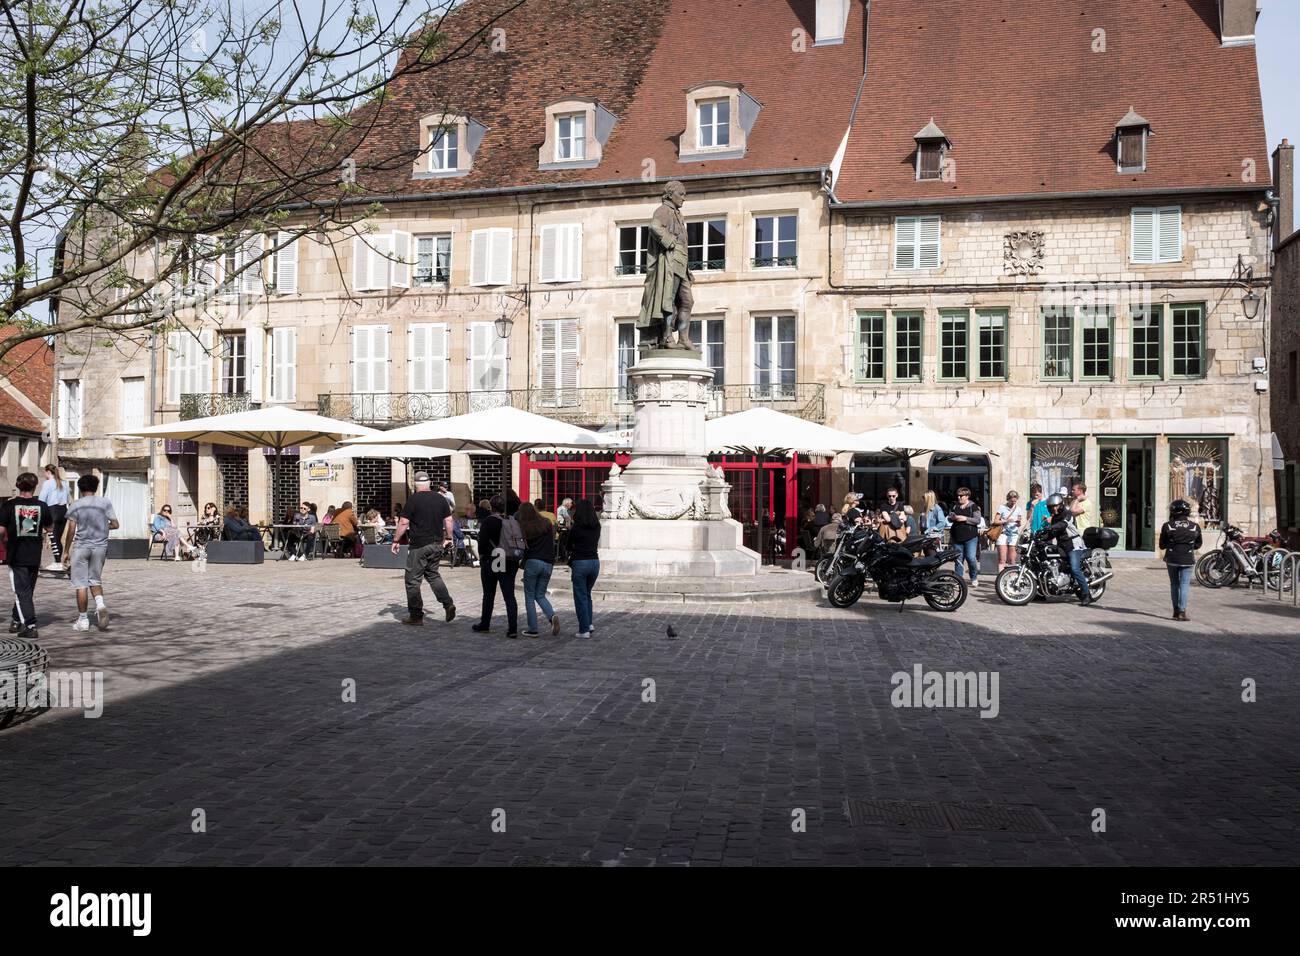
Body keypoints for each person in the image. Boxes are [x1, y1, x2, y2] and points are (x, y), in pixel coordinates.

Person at [394, 471, 456, 626]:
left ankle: (416, 615)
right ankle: (448, 603)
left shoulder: (413, 499)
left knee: (412, 580)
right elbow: (449, 520)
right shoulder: (441, 499)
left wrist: (396, 540)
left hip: (419, 545)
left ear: (415, 484)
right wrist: (448, 538)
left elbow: (403, 522)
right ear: (430, 483)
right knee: (433, 575)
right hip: (436, 544)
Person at [62, 473, 119, 631]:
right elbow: (115, 524)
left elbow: (71, 530)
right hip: (100, 547)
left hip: (81, 547)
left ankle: (83, 620)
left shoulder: (76, 505)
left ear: (80, 489)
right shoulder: (105, 503)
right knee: (95, 580)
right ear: (96, 487)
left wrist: (66, 551)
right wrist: (102, 526)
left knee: (81, 584)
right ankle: (100, 604)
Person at [1, 472, 53, 639]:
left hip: (16, 554)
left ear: (17, 485)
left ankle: (30, 625)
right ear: (35, 486)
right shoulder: (42, 506)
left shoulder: (9, 505)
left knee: (21, 591)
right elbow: (50, 528)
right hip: (34, 554)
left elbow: (1, 531)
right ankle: (16, 620)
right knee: (27, 590)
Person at [471, 495, 520, 637]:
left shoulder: (489, 521)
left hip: (494, 559)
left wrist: (481, 557)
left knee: (489, 593)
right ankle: (513, 628)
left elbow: (483, 543)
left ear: (491, 507)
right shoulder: (510, 520)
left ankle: (485, 623)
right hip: (510, 559)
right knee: (509, 595)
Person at [517, 502, 561, 638]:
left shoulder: (524, 527)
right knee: (540, 594)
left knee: (529, 596)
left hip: (533, 562)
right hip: (548, 563)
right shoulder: (547, 523)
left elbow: (523, 548)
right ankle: (551, 615)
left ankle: (533, 628)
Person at [1044, 493, 1094, 605]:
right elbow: (1053, 533)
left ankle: (1086, 594)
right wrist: (1041, 536)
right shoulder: (1054, 519)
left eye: (1055, 506)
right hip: (1062, 545)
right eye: (1051, 507)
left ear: (1061, 505)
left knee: (1075, 568)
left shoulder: (1068, 514)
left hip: (1073, 545)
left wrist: (1051, 527)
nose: (1053, 508)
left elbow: (1063, 524)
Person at [1159, 499, 1202, 622]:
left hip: (1172, 557)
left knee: (1174, 584)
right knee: (1184, 585)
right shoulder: (1195, 527)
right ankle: (1182, 612)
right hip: (1188, 558)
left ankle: (1175, 611)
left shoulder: (1167, 526)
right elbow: (1198, 544)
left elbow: (1162, 545)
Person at [568, 499, 601, 639]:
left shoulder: (577, 527)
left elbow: (568, 545)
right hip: (594, 562)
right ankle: (589, 623)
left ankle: (584, 629)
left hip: (580, 562)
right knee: (587, 594)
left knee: (580, 596)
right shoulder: (597, 526)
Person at [38, 463, 72, 571]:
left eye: (44, 472)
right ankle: (60, 562)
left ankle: (57, 562)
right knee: (58, 538)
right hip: (63, 511)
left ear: (48, 472)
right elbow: (68, 498)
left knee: (53, 537)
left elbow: (42, 499)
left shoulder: (47, 483)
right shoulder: (64, 483)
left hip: (52, 510)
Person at [947, 486, 982, 588]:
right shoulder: (955, 506)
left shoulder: (973, 506)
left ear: (967, 496)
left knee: (971, 558)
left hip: (970, 537)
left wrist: (965, 518)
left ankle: (974, 577)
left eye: (961, 496)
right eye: (958, 495)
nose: (959, 497)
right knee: (958, 559)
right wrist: (952, 517)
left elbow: (977, 520)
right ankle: (958, 580)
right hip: (957, 536)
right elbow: (949, 519)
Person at [993, 490, 1026, 573]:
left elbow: (1019, 523)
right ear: (1008, 499)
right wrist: (1006, 521)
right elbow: (996, 521)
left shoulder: (1018, 509)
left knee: (1012, 560)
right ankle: (1000, 578)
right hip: (1002, 534)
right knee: (1002, 559)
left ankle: (1012, 578)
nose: (1013, 503)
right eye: (1011, 501)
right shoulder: (1002, 508)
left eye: (1015, 501)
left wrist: (1018, 523)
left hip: (1013, 534)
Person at [921, 490, 946, 555]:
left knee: (932, 557)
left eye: (924, 498)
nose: (923, 500)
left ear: (929, 499)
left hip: (933, 537)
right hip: (925, 536)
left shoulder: (937, 509)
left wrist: (932, 529)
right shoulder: (925, 508)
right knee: (927, 556)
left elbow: (942, 522)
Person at [556, 497, 574, 563]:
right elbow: (568, 518)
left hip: (561, 527)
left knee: (565, 538)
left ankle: (565, 554)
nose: (571, 505)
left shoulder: (562, 508)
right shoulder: (563, 509)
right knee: (566, 538)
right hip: (561, 527)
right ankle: (565, 555)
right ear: (567, 503)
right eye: (570, 503)